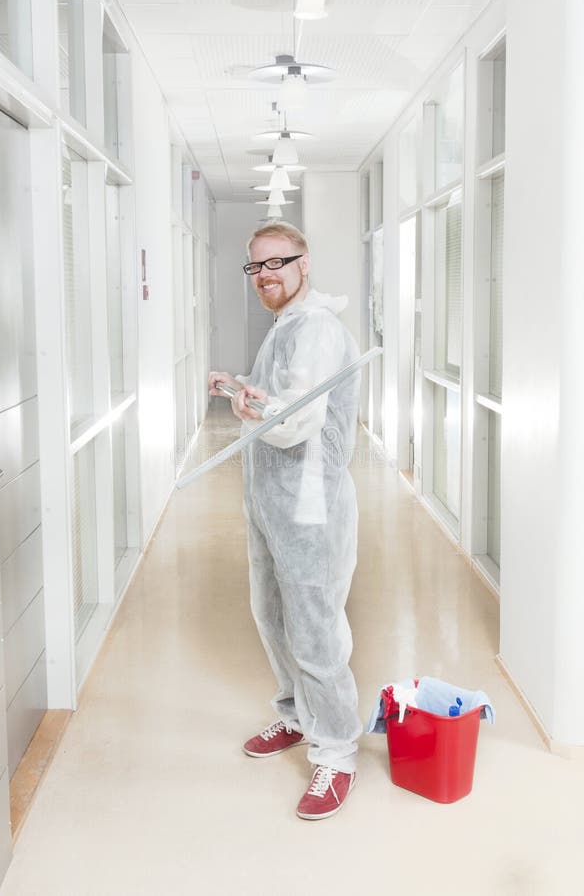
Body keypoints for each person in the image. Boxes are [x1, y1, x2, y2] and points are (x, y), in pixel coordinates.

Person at [208, 222, 362, 821]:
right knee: (272, 613)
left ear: (304, 263)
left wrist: (252, 405)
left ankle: (338, 752)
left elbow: (296, 421)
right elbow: (281, 399)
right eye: (255, 267)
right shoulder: (286, 328)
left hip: (308, 502)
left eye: (277, 262)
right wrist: (242, 390)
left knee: (314, 624)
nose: (265, 275)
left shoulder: (318, 329)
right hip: (272, 499)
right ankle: (299, 718)